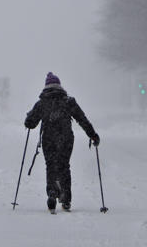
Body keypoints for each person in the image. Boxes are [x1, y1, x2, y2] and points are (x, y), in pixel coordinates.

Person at [25, 72, 99, 213]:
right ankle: (66, 199)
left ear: (46, 87)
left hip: (48, 139)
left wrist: (29, 117)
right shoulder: (68, 102)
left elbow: (30, 123)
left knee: (51, 166)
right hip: (66, 139)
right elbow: (82, 119)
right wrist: (93, 135)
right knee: (64, 165)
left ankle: (52, 193)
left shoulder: (42, 103)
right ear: (59, 86)